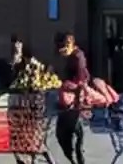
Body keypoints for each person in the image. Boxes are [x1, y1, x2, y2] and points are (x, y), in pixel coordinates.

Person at [54, 32, 89, 164]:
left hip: (73, 100)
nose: (65, 47)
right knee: (68, 133)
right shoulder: (69, 57)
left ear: (72, 44)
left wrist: (70, 87)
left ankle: (76, 159)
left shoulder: (78, 57)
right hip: (69, 101)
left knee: (68, 132)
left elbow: (81, 79)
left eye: (67, 44)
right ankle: (75, 158)